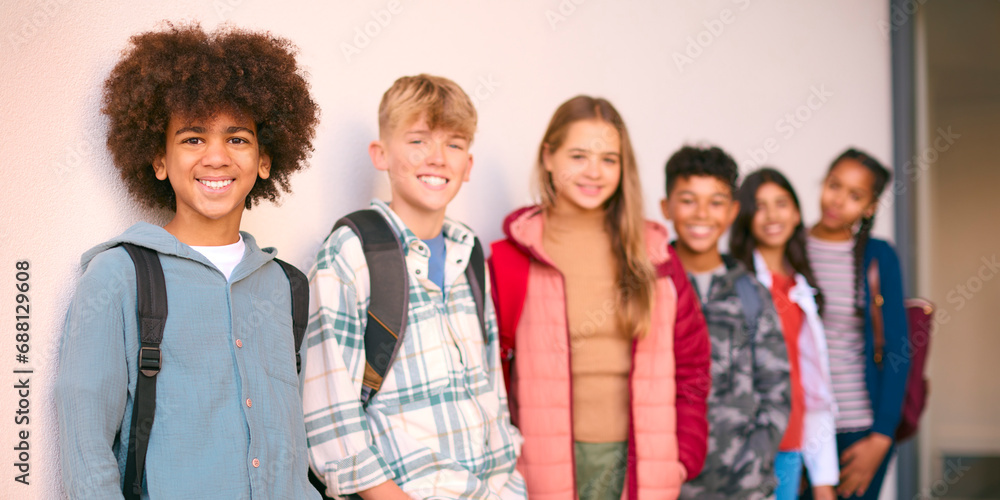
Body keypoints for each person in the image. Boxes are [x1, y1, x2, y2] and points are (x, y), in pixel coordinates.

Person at [55, 23, 321, 499]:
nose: (216, 157)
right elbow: (86, 448)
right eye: (193, 139)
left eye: (237, 139)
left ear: (264, 160)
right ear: (159, 160)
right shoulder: (120, 276)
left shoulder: (288, 286)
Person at [302, 74, 526, 499]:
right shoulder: (353, 253)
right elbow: (330, 416)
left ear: (468, 165)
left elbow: (492, 390)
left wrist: (511, 487)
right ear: (381, 154)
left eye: (454, 144)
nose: (437, 158)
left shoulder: (469, 254)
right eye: (419, 140)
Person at [489, 96, 711, 500]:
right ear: (549, 157)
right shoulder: (512, 258)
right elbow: (489, 376)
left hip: (642, 468)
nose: (594, 171)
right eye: (578, 156)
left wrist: (683, 457)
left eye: (609, 159)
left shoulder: (655, 255)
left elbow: (693, 365)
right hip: (541, 468)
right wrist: (510, 464)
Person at [661, 145, 791, 500]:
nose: (702, 214)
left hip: (743, 489)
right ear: (666, 207)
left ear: (733, 211)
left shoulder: (752, 293)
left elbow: (777, 390)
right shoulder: (649, 287)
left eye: (716, 202)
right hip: (666, 485)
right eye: (688, 200)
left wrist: (753, 465)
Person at [805, 149, 909, 500]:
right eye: (834, 186)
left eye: (855, 195)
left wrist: (881, 436)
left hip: (859, 430)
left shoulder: (879, 256)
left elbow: (898, 349)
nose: (837, 200)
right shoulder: (790, 246)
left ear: (870, 207)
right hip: (801, 427)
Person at [729, 168, 840, 500]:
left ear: (796, 214)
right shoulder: (734, 284)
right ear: (745, 217)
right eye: (760, 206)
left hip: (791, 445)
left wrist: (823, 478)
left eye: (781, 204)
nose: (772, 215)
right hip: (742, 448)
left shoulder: (801, 290)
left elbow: (814, 388)